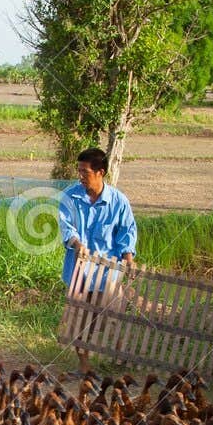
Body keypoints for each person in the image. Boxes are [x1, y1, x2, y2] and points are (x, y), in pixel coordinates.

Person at [58, 147, 138, 372]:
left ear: (100, 172)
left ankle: (119, 357)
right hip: (79, 270)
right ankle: (84, 364)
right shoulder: (71, 196)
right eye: (79, 171)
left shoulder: (118, 201)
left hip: (107, 272)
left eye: (85, 172)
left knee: (110, 315)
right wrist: (77, 244)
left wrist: (129, 259)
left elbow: (126, 232)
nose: (80, 176)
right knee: (78, 317)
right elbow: (66, 225)